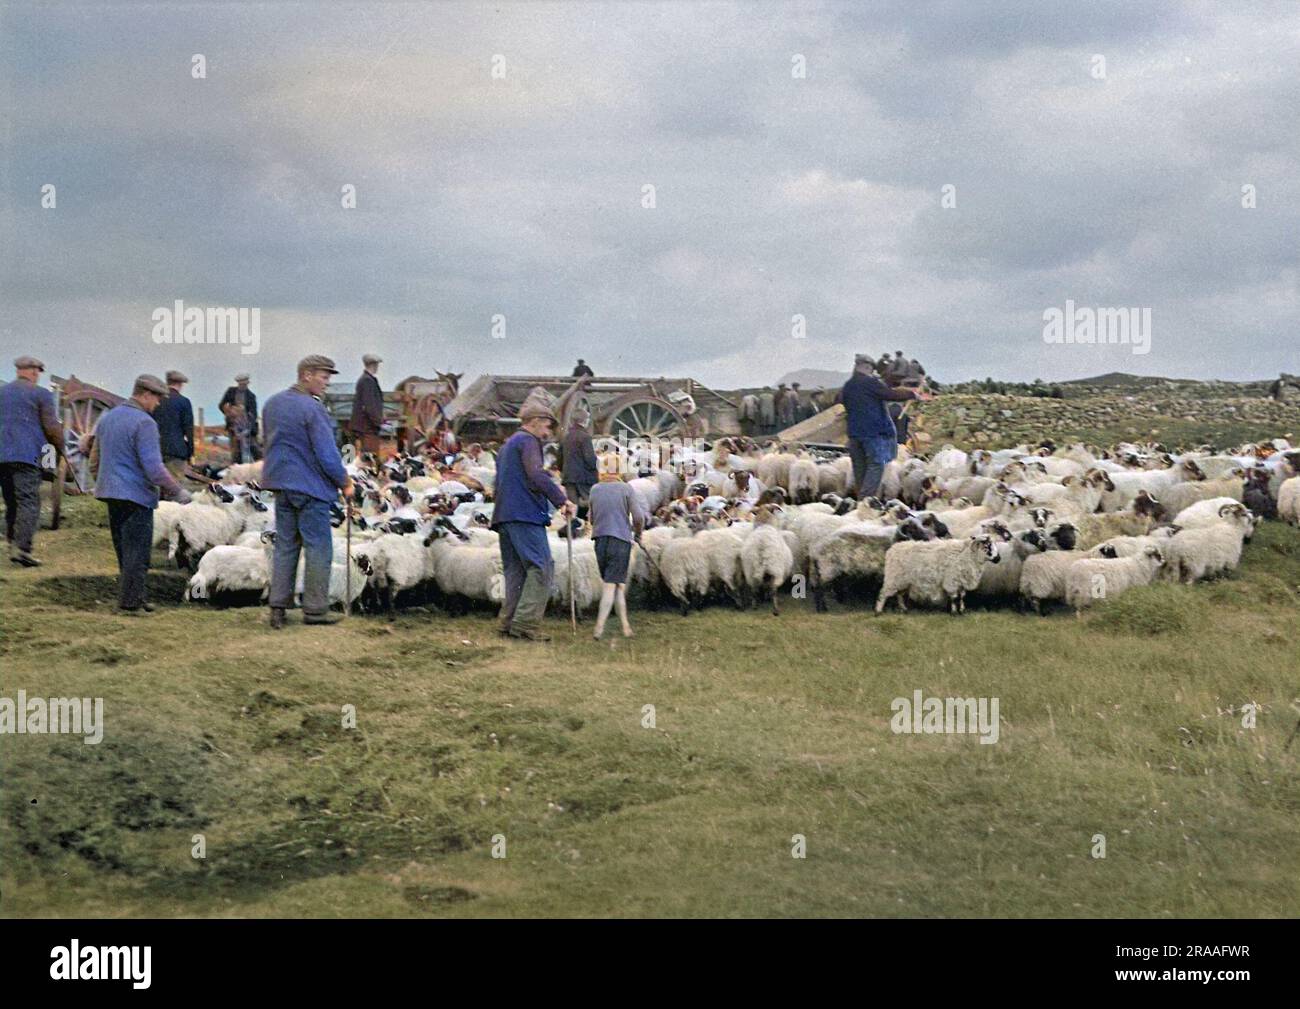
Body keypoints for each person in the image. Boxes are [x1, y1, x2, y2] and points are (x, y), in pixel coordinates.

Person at [262, 355, 353, 629]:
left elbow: (267, 442)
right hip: (310, 488)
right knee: (318, 547)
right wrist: (344, 482)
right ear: (306, 375)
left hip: (280, 484)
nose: (326, 383)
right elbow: (327, 454)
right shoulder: (313, 409)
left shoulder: (272, 404)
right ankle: (314, 610)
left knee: (286, 546)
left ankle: (277, 608)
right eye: (323, 377)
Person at [90, 374, 192, 613]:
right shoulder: (144, 423)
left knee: (124, 550)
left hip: (111, 494)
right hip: (136, 496)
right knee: (138, 552)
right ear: (145, 394)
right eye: (156, 399)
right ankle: (129, 604)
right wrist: (179, 492)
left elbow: (94, 459)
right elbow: (155, 468)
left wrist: (104, 483)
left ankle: (135, 597)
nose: (157, 404)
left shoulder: (108, 418)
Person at [491, 390, 576, 641]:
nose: (548, 433)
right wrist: (562, 500)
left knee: (516, 571)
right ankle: (525, 626)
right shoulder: (529, 442)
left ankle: (507, 624)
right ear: (535, 421)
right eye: (547, 426)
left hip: (505, 515)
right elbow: (536, 475)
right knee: (541, 567)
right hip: (525, 514)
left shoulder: (508, 445)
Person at [0, 355, 66, 567]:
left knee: (11, 501)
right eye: (37, 371)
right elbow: (51, 427)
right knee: (28, 501)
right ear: (33, 371)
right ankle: (22, 550)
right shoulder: (41, 394)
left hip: (2, 457)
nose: (37, 374)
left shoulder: (1, 393)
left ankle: (12, 544)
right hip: (27, 457)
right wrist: (60, 448)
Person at [841, 354, 930, 499]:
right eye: (871, 369)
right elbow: (890, 394)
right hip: (872, 434)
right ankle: (866, 500)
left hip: (854, 434)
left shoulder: (848, 386)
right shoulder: (869, 383)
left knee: (860, 468)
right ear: (867, 367)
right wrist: (912, 395)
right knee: (876, 465)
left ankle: (860, 501)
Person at [588, 457, 647, 639]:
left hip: (600, 540)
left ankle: (625, 627)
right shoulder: (626, 488)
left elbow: (591, 518)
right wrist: (638, 533)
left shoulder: (595, 489)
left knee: (616, 584)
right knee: (610, 585)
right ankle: (599, 627)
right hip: (620, 539)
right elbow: (638, 517)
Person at [559, 408, 598, 525]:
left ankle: (572, 533)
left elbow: (559, 459)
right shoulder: (585, 437)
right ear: (585, 421)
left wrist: (564, 471)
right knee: (590, 506)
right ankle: (589, 531)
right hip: (584, 479)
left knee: (572, 509)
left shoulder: (565, 437)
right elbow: (590, 460)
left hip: (568, 477)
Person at [155, 370, 194, 482]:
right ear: (180, 384)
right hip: (176, 451)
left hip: (156, 449)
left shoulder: (157, 400)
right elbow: (188, 430)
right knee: (174, 487)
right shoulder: (184, 402)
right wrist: (190, 453)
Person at [349, 353, 385, 457]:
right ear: (373, 365)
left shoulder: (367, 379)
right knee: (370, 457)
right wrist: (378, 422)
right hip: (367, 427)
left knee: (367, 456)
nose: (377, 367)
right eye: (376, 364)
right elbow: (370, 405)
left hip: (366, 425)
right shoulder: (367, 380)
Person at [219, 373, 259, 464]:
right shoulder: (230, 391)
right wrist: (230, 412)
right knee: (236, 453)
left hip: (247, 429)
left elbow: (254, 415)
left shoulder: (251, 396)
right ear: (238, 383)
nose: (243, 385)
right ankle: (236, 470)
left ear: (247, 383)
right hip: (233, 428)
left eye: (244, 383)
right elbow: (221, 405)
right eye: (241, 383)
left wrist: (249, 428)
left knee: (255, 450)